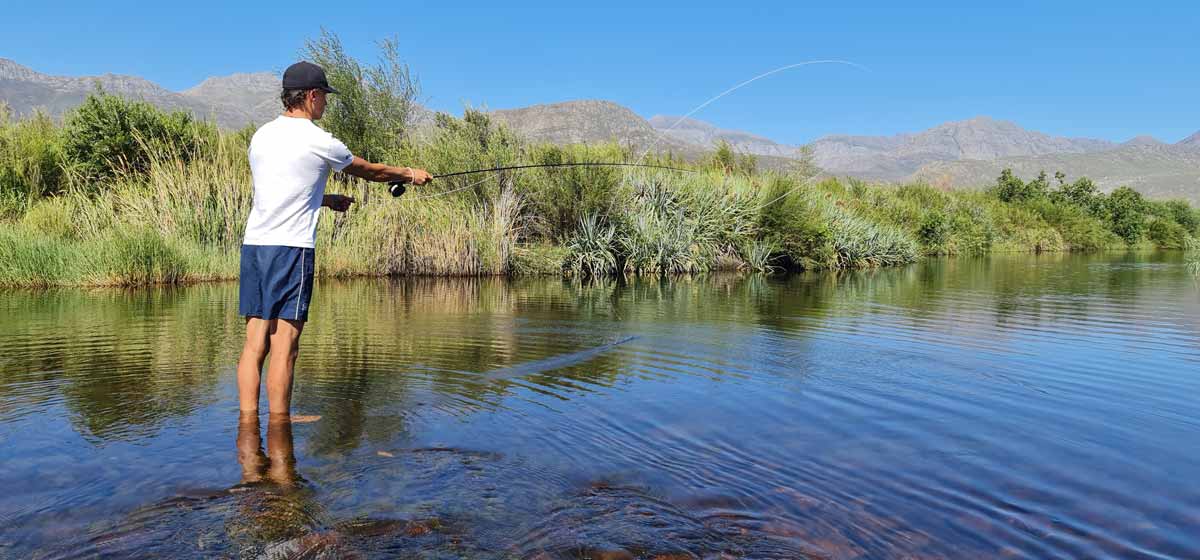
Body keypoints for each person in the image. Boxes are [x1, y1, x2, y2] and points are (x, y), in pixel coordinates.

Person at [237, 61, 433, 417]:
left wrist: (323, 200)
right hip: (291, 251)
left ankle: (247, 428)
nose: (325, 104)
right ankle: (280, 432)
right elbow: (370, 171)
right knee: (285, 347)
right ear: (311, 96)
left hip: (255, 247)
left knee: (254, 345)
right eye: (324, 97)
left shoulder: (260, 136)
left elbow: (280, 187)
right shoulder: (319, 140)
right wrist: (410, 174)